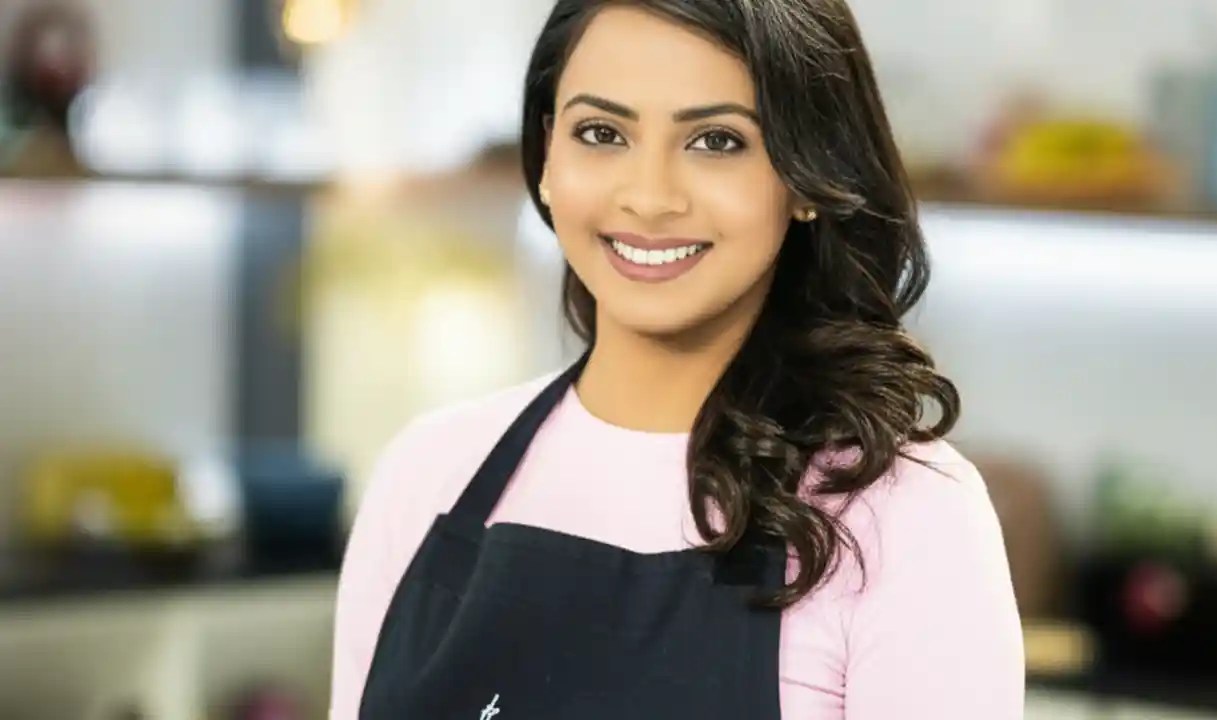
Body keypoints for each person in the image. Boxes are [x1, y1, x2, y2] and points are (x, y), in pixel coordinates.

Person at [331, 1, 1025, 718]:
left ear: (806, 177)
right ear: (546, 158)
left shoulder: (904, 516)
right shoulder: (427, 473)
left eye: (717, 141)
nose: (650, 197)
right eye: (602, 133)